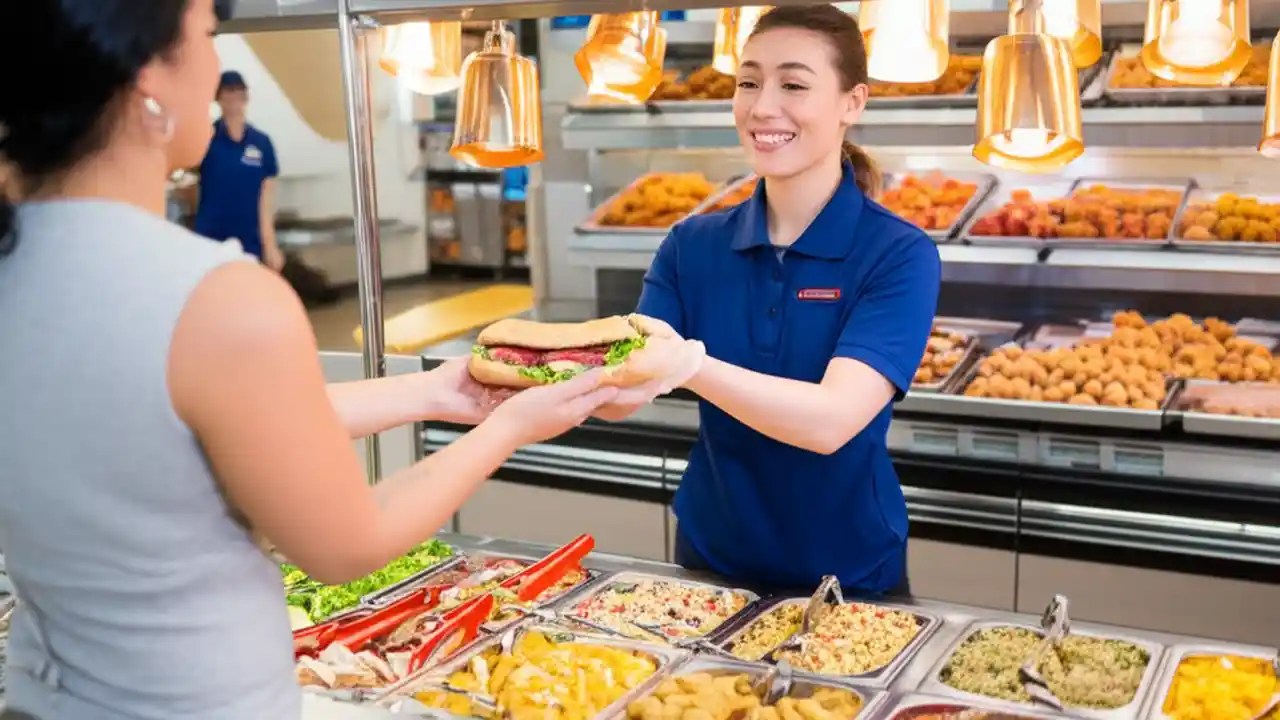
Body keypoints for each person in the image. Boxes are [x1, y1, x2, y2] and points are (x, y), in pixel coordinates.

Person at [0, 1, 684, 717]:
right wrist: (507, 429)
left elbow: (182, 428)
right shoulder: (219, 298)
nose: (217, 65)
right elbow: (347, 542)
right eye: (207, 35)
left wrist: (438, 393)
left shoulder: (23, 266)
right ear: (148, 79)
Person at [604, 5, 942, 598]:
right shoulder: (691, 245)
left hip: (849, 573)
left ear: (852, 102)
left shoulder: (898, 254)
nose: (762, 107)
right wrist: (547, 377)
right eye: (749, 82)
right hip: (709, 563)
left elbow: (831, 422)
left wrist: (689, 365)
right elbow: (625, 389)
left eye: (793, 84)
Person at [194, 70, 285, 270]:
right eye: (228, 90)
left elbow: (266, 199)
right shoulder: (204, 139)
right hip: (212, 238)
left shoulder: (261, 142)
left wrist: (270, 245)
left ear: (246, 96)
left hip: (250, 239)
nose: (234, 95)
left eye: (239, 90)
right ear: (218, 97)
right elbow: (184, 179)